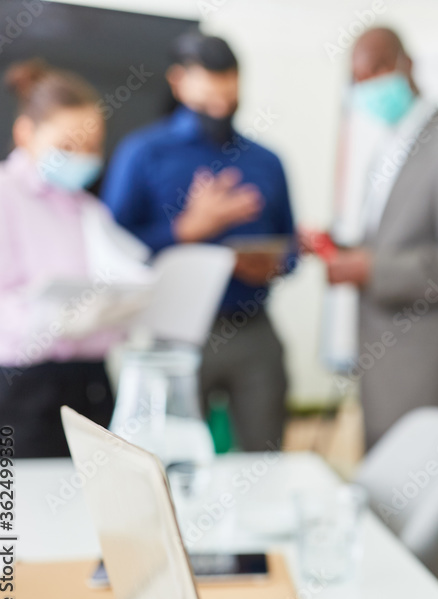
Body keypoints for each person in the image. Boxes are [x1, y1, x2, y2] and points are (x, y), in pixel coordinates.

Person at [101, 32, 294, 452]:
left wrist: (276, 262)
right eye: (208, 96)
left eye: (229, 93)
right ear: (179, 83)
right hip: (174, 334)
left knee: (265, 458)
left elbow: (290, 244)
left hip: (253, 330)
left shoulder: (267, 161)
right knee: (174, 460)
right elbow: (110, 247)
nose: (219, 106)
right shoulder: (143, 153)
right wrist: (184, 231)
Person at [326, 27, 438, 451]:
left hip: (430, 373)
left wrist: (372, 268)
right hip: (380, 366)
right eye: (359, 76)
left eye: (379, 68)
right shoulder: (383, 152)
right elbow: (392, 245)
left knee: (432, 506)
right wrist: (343, 252)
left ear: (407, 64)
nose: (369, 83)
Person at [0, 60, 148, 459]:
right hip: (22, 392)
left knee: (92, 512)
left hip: (93, 386)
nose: (82, 157)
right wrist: (56, 322)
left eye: (92, 147)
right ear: (26, 133)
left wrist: (119, 313)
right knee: (14, 518)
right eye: (67, 146)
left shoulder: (89, 210)